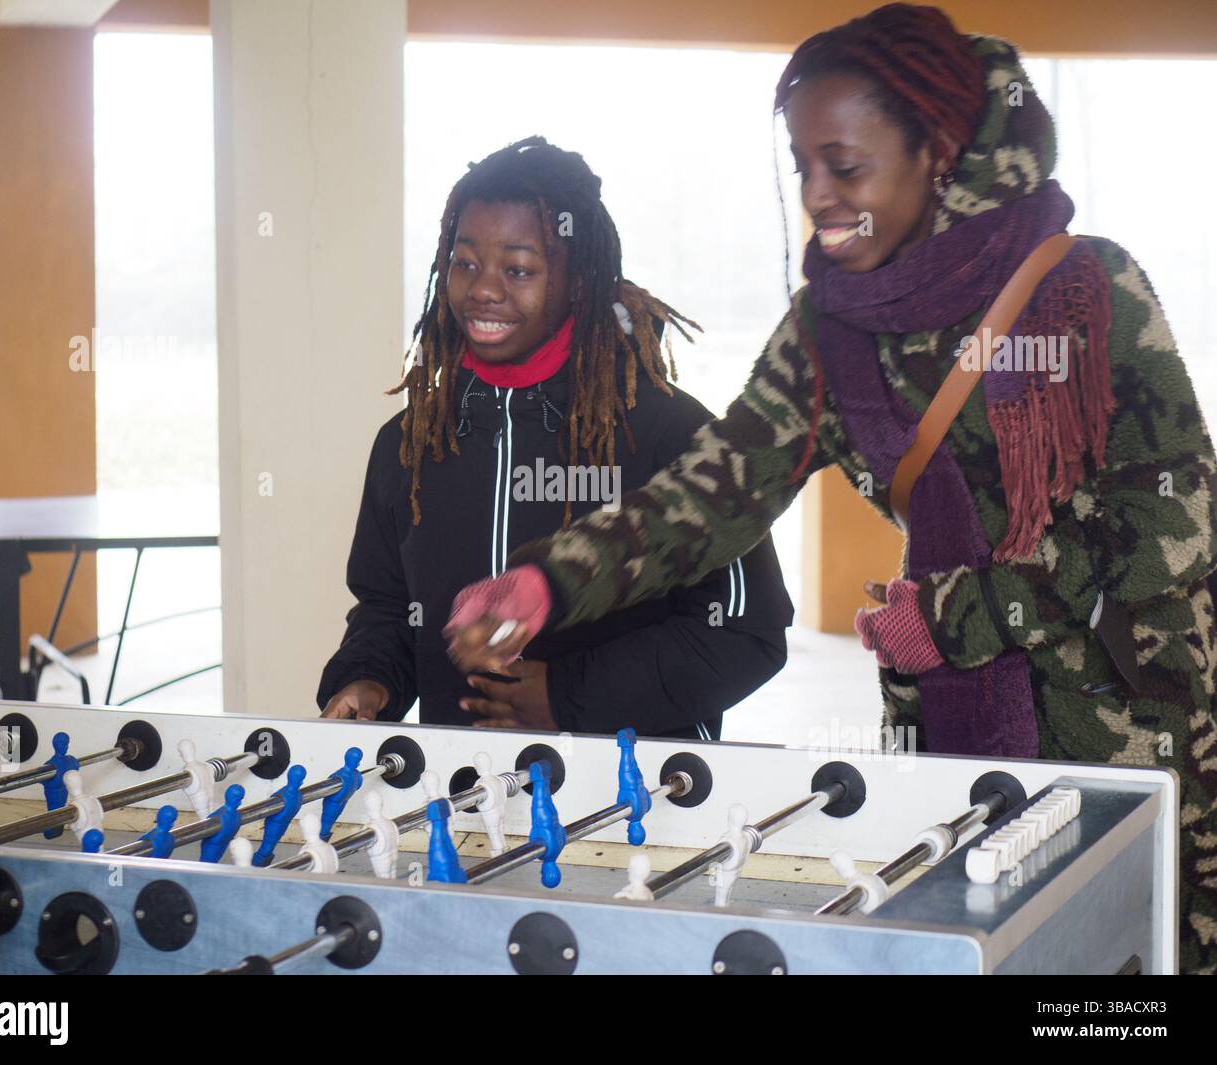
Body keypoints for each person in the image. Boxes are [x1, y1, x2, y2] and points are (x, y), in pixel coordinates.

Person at [445, 8, 1217, 973]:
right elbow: (714, 488)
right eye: (802, 165)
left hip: (1136, 737)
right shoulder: (829, 330)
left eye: (844, 167)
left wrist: (953, 617)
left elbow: (1169, 538)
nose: (817, 195)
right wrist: (547, 582)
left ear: (935, 151)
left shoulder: (1090, 288)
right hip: (959, 742)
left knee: (1117, 989)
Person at [318, 137, 793, 740]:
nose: (483, 290)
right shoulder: (409, 444)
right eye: (464, 263)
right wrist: (367, 681)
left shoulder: (672, 434)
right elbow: (387, 607)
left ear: (579, 280)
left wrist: (568, 698)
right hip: (459, 804)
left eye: (518, 268)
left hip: (636, 808)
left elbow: (746, 633)